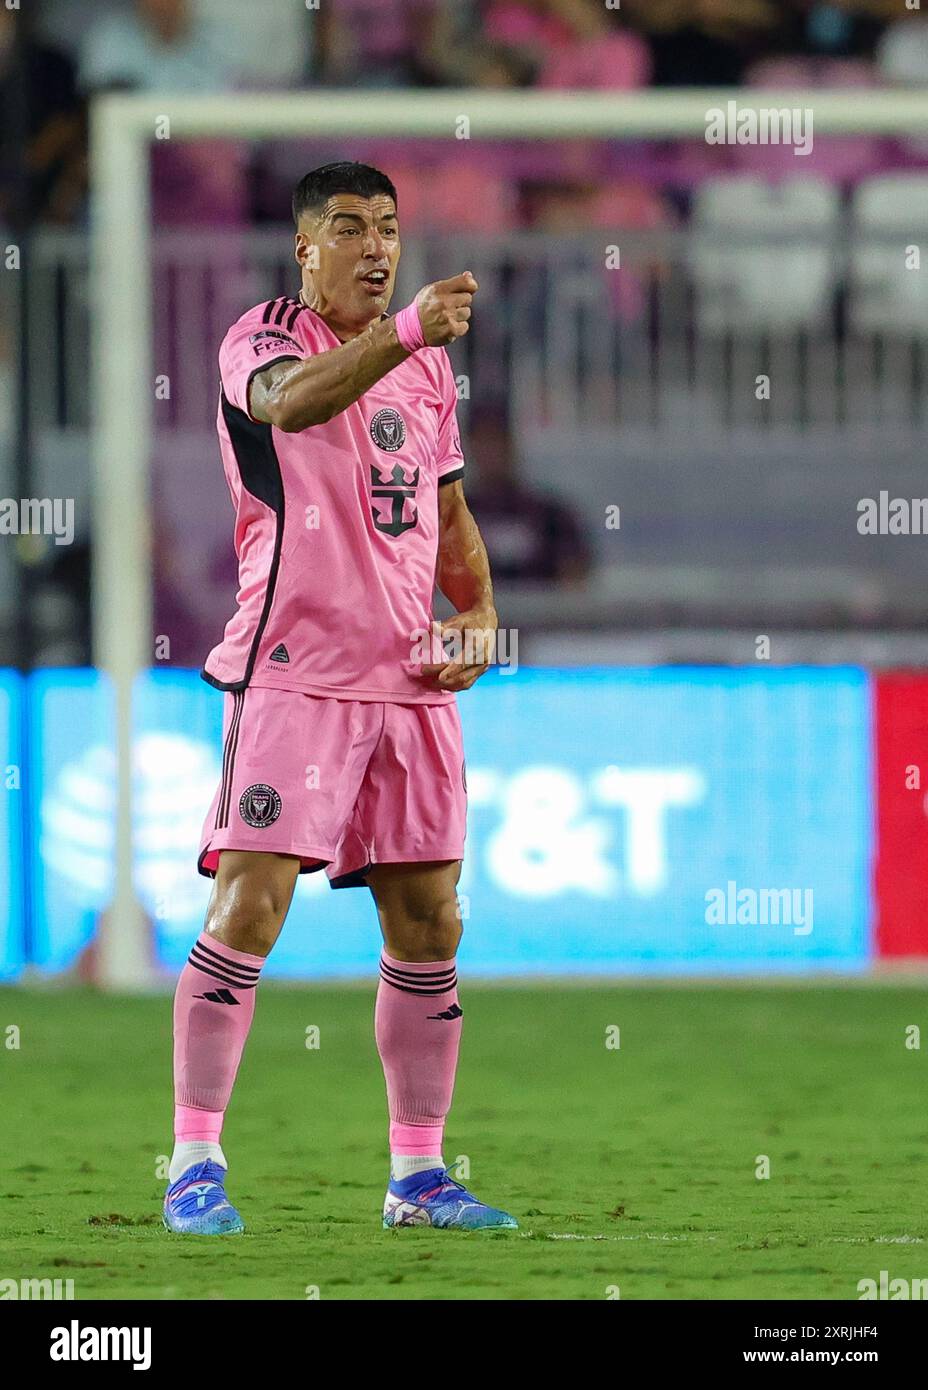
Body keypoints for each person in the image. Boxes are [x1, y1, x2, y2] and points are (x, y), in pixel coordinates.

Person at [163, 161, 517, 1235]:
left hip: (410, 684)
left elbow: (448, 520)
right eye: (351, 227)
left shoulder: (427, 379)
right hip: (296, 675)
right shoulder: (264, 337)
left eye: (391, 229)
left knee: (430, 922)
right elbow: (290, 406)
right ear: (304, 249)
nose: (376, 246)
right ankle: (193, 1162)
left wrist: (482, 613)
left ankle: (417, 1177)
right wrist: (406, 331)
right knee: (251, 907)